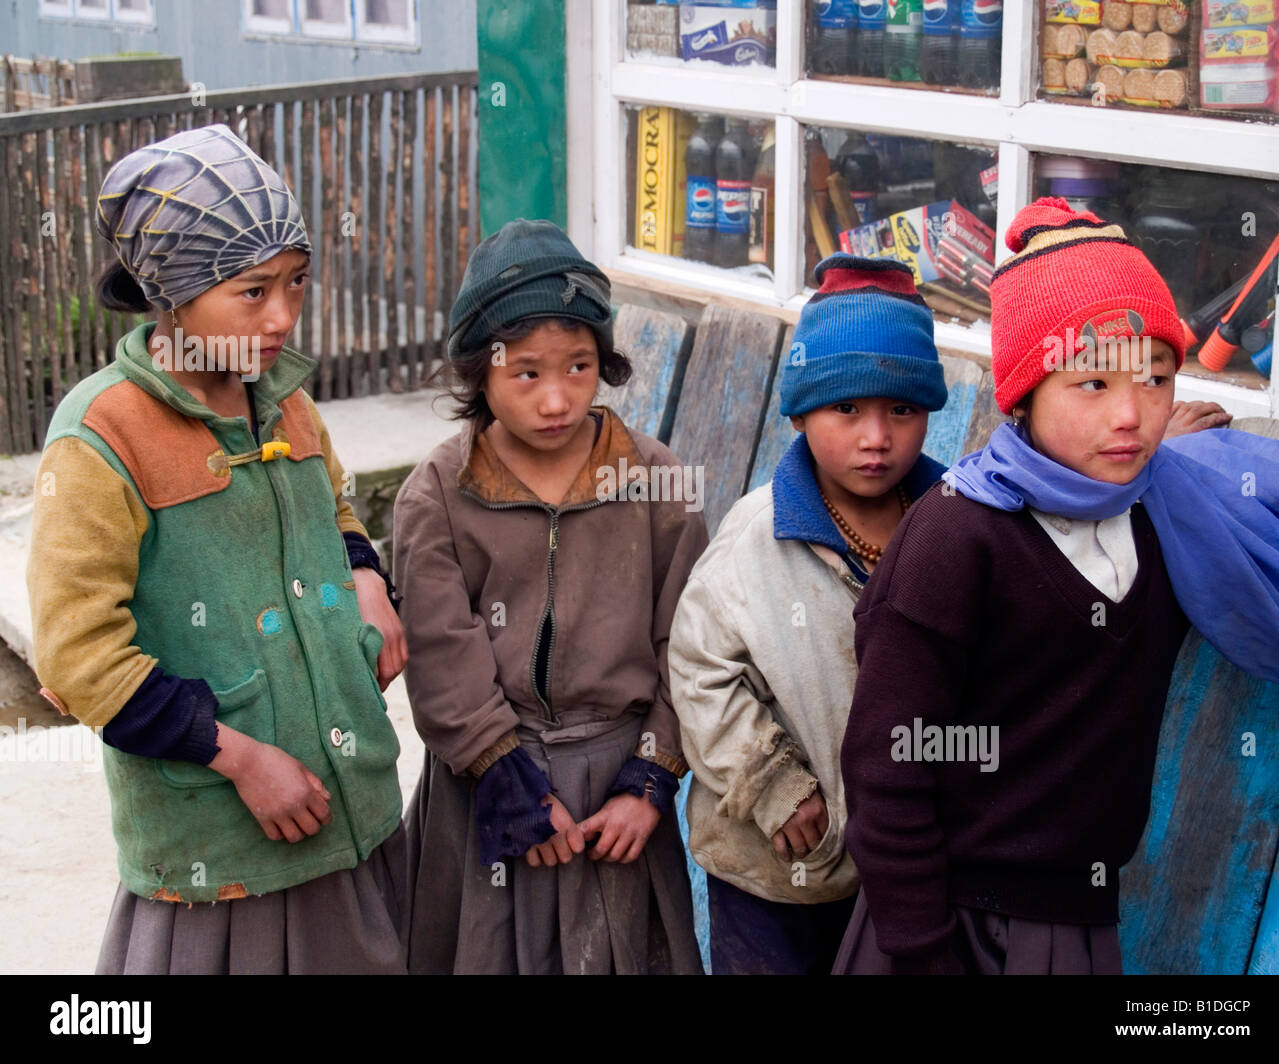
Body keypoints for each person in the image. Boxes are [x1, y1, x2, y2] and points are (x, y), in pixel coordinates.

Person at [834, 198, 1279, 975]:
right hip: (942, 926)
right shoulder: (956, 539)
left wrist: (1167, 452)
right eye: (1092, 384)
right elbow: (886, 777)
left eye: (1154, 380)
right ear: (1022, 395)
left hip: (1081, 926)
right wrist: (926, 956)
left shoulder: (1168, 511)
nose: (1131, 416)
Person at [25, 123, 410, 975]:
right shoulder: (101, 438)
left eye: (297, 282)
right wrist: (237, 758)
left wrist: (367, 581)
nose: (284, 316)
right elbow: (79, 656)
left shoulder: (283, 402)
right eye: (252, 291)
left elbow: (335, 506)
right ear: (174, 293)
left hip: (348, 802)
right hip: (224, 846)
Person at [394, 218, 707, 974]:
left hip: (617, 789)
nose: (557, 397)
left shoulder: (657, 480)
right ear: (481, 374)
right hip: (489, 790)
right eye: (526, 373)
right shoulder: (437, 493)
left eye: (578, 365)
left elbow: (693, 644)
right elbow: (440, 651)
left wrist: (653, 774)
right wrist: (498, 771)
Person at [668, 254, 948, 974]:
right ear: (798, 413)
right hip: (778, 862)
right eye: (846, 408)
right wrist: (770, 784)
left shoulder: (952, 530)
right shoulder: (757, 537)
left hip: (906, 864)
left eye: (902, 410)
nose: (876, 437)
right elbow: (700, 667)